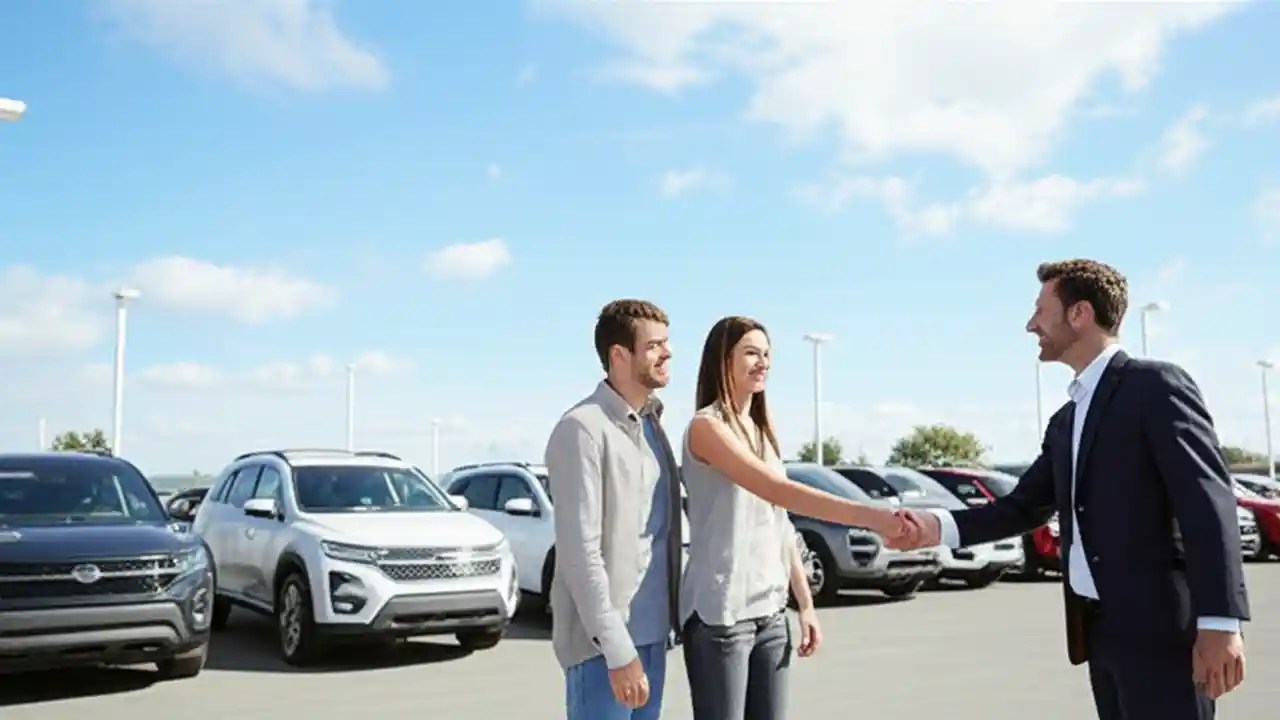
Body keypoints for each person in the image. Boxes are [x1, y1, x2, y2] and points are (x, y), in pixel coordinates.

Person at [890, 259, 1249, 720]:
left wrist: (1220, 621)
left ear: (1079, 314)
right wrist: (933, 527)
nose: (1030, 324)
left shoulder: (1155, 386)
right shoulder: (1067, 419)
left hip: (1162, 634)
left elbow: (1208, 503)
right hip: (1100, 630)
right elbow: (1023, 507)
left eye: (1041, 310)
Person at [680, 315, 911, 720]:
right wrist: (873, 517)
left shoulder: (762, 431)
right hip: (722, 615)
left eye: (767, 354)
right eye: (751, 352)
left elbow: (780, 522)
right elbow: (776, 490)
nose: (763, 362)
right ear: (723, 360)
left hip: (770, 613)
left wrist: (805, 605)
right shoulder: (707, 428)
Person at [544, 299, 685, 720]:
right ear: (619, 355)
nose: (668, 353)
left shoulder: (654, 426)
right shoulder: (582, 429)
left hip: (654, 635)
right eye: (655, 345)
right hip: (603, 647)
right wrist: (617, 649)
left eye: (667, 343)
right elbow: (578, 551)